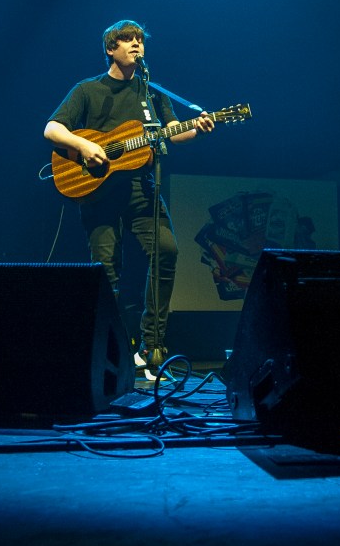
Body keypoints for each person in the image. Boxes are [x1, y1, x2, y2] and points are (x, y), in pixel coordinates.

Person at [44, 19, 214, 373]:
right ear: (111, 48)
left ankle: (152, 346)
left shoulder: (152, 91)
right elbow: (52, 128)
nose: (136, 44)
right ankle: (108, 350)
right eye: (127, 40)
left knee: (167, 251)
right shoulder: (87, 90)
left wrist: (196, 128)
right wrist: (84, 144)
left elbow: (170, 132)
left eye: (139, 39)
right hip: (96, 189)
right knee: (106, 271)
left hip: (141, 187)